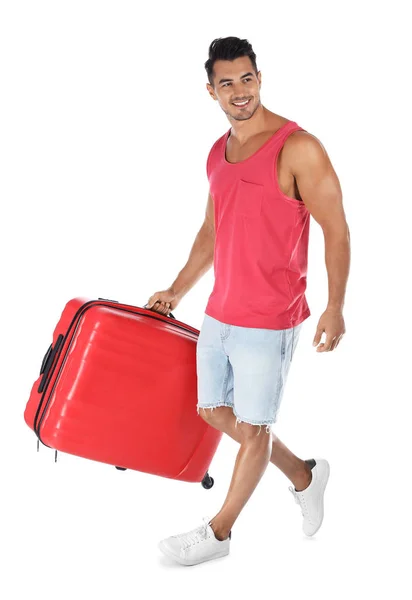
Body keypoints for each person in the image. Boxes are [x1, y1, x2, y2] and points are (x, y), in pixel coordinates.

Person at [147, 36, 350, 566]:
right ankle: (305, 475)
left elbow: (336, 229)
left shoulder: (297, 147)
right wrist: (176, 289)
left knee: (254, 427)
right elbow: (212, 232)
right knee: (214, 411)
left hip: (270, 316)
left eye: (247, 78)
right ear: (210, 91)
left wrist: (334, 305)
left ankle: (219, 533)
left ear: (260, 78)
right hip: (221, 309)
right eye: (227, 83)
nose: (240, 91)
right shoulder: (218, 152)